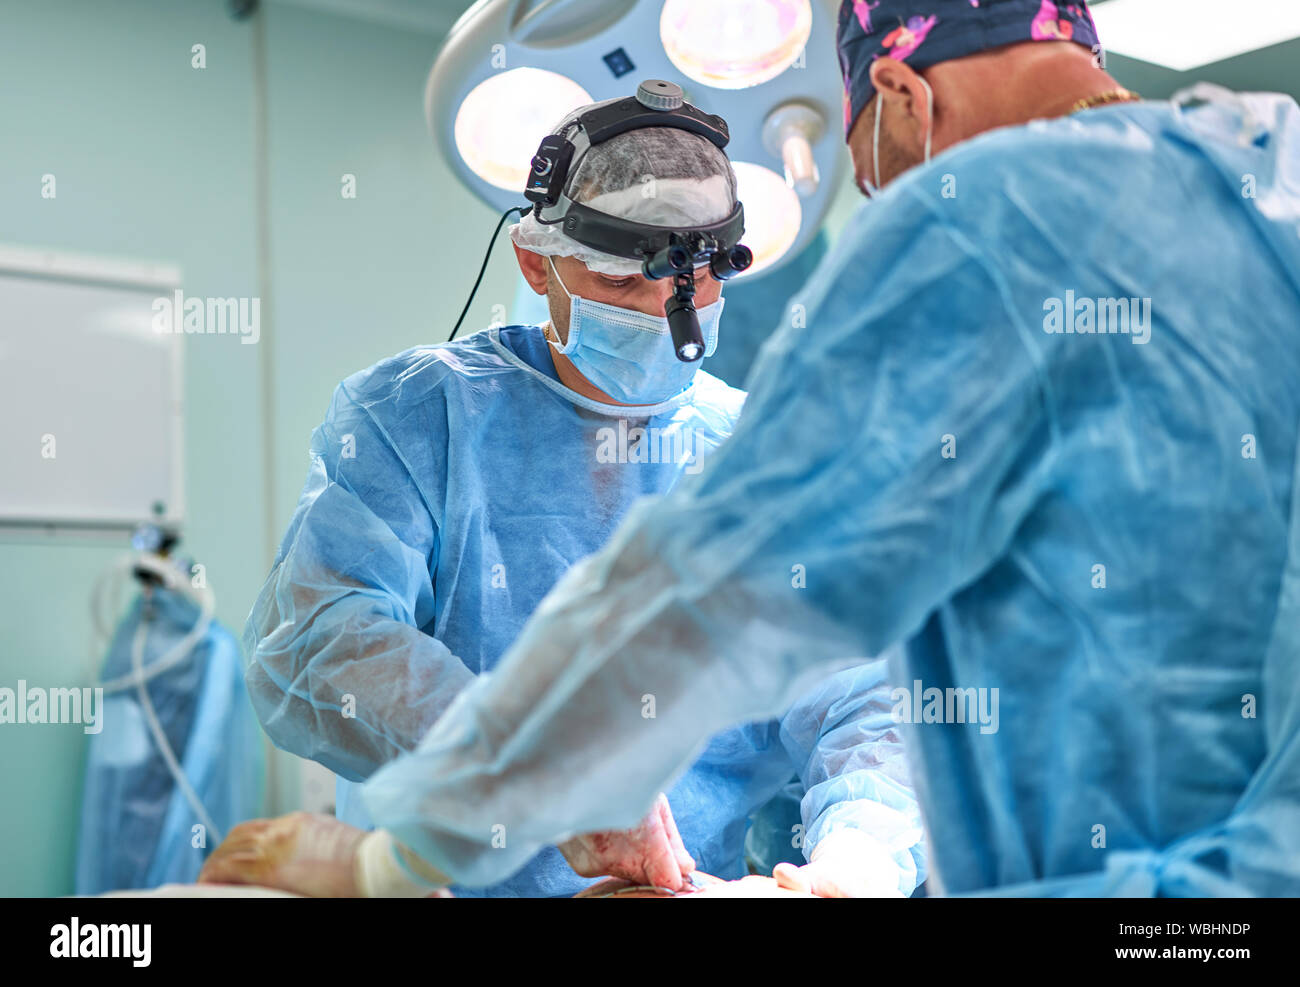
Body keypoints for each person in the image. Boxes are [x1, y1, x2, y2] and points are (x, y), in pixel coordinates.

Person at [320, 0, 1295, 897]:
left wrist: (403, 852)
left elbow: (713, 589)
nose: (890, 206)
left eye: (878, 178)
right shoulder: (1272, 167)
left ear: (901, 92)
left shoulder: (979, 215)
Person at [237, 91, 926, 897]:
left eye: (699, 277)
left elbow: (863, 700)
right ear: (537, 262)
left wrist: (860, 860)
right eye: (627, 281)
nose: (675, 314)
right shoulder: (422, 419)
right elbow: (317, 640)